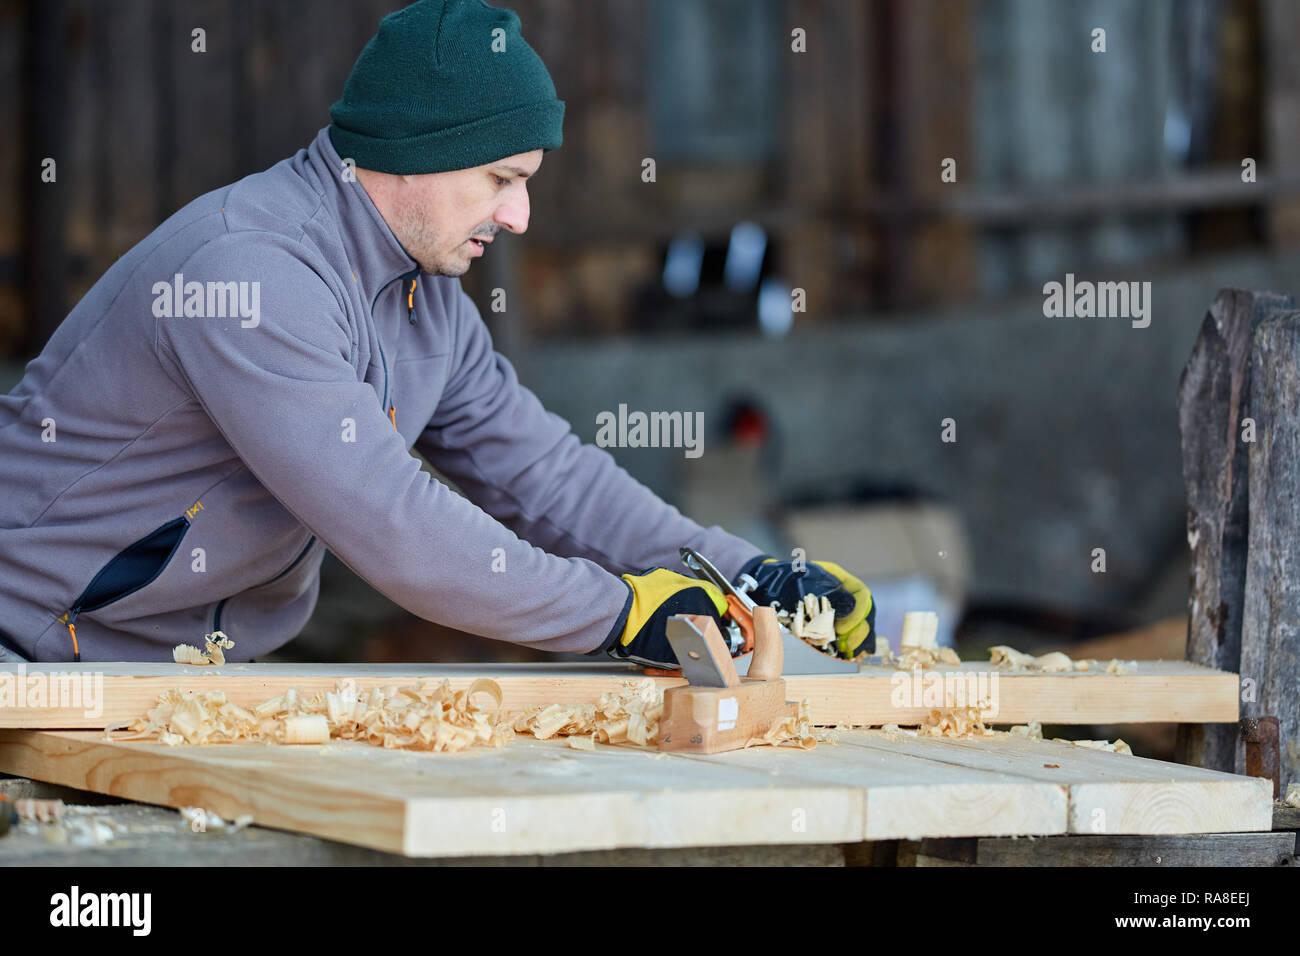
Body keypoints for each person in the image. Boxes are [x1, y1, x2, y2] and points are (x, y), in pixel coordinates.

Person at [0, 0, 874, 665]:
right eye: (502, 177)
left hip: (164, 683)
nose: (520, 215)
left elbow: (544, 476)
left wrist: (746, 575)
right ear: (415, 149)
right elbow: (396, 528)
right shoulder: (250, 276)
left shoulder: (426, 300)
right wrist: (619, 612)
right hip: (29, 654)